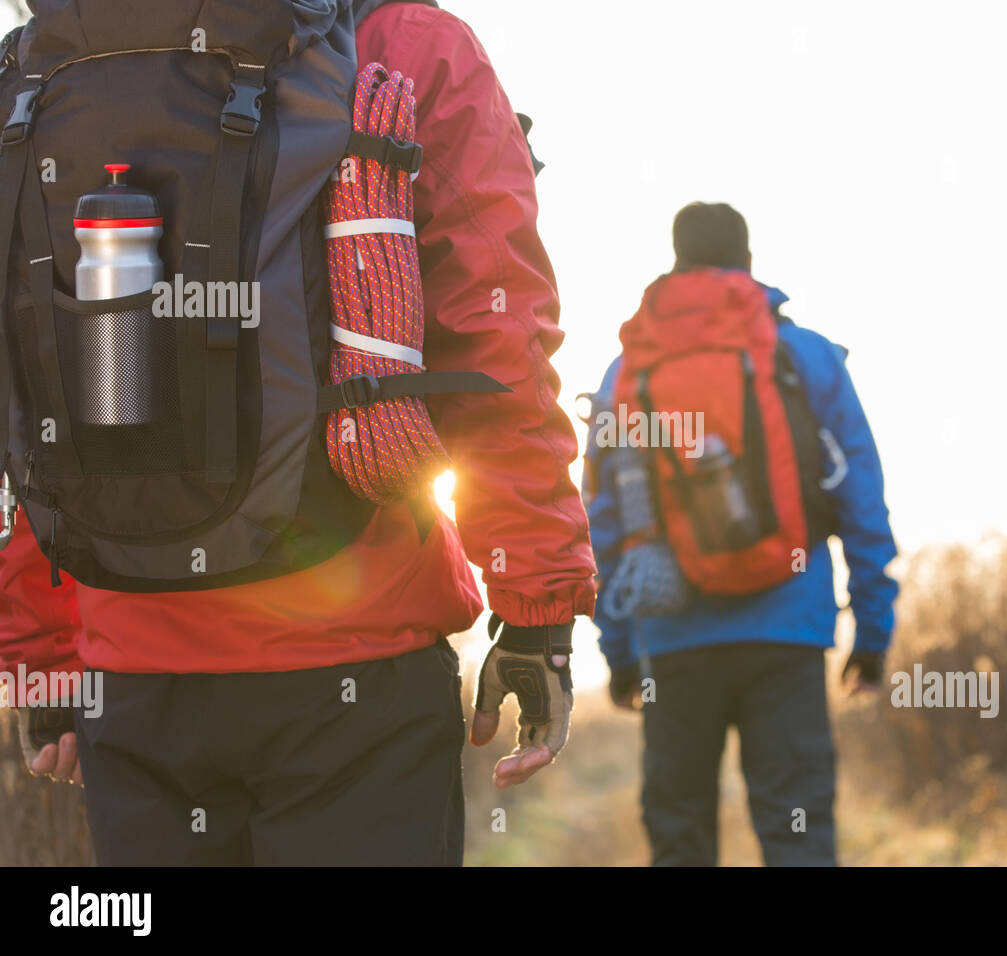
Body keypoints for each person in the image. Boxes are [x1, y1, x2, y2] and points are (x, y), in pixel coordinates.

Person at [0, 0, 595, 866]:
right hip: (357, 671)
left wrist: (44, 648)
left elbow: (29, 378)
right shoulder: (400, 44)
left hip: (133, 675)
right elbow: (496, 337)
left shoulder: (42, 65)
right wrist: (537, 609)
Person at [583, 202, 899, 866]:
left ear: (674, 265)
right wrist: (872, 635)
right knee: (797, 836)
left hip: (671, 640)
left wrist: (620, 654)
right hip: (786, 631)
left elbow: (603, 523)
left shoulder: (626, 373)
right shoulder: (803, 355)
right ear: (749, 266)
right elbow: (861, 498)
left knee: (680, 839)